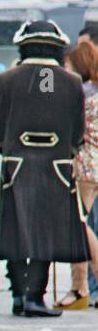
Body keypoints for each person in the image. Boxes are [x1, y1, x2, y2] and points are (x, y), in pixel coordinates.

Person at [0, 20, 87, 318]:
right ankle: (35, 295)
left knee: (16, 230)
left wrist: (11, 148)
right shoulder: (71, 83)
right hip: (57, 167)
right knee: (47, 231)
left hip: (16, 166)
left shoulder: (8, 79)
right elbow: (77, 135)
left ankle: (19, 295)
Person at [55, 41, 98, 309]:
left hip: (84, 166)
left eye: (69, 65)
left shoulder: (82, 96)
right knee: (82, 225)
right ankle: (80, 286)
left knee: (80, 226)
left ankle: (80, 286)